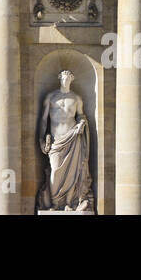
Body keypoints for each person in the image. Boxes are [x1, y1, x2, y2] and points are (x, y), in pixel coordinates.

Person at [36, 69, 94, 211]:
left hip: (73, 138)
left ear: (72, 80)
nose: (65, 80)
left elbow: (80, 116)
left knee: (73, 174)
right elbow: (43, 120)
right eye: (63, 77)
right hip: (57, 140)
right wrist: (41, 139)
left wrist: (81, 122)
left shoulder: (76, 98)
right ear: (59, 78)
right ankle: (55, 203)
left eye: (68, 78)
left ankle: (68, 203)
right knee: (55, 171)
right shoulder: (51, 97)